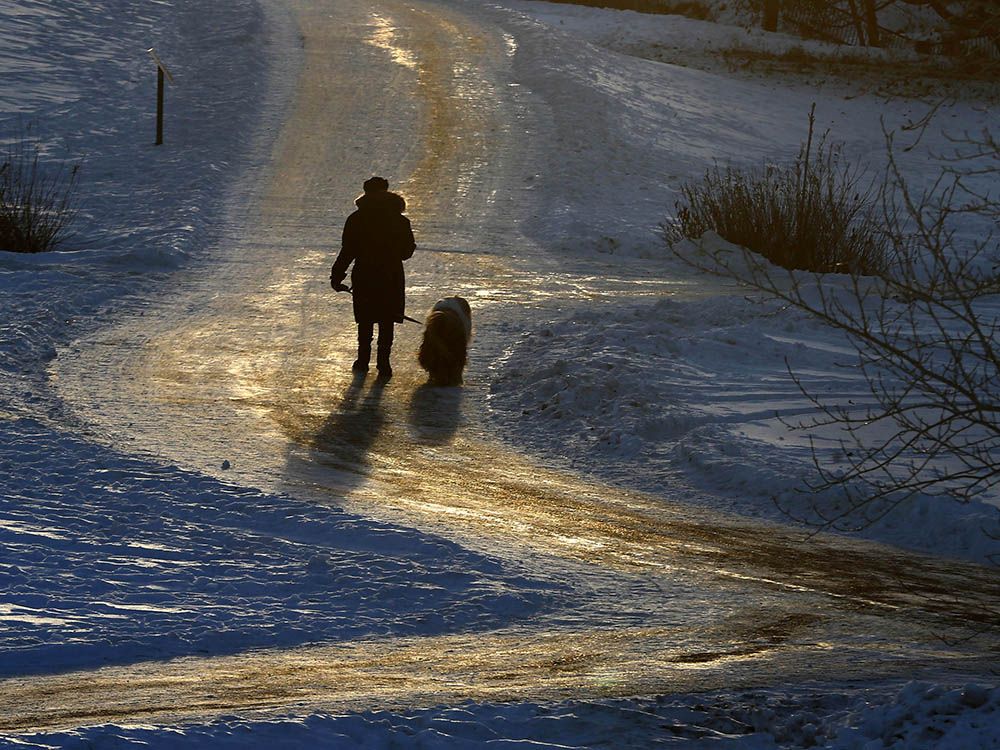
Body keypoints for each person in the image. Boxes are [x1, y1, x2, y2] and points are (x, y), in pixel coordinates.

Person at [330, 176, 416, 379]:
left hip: (365, 273)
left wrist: (336, 276)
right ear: (386, 191)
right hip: (391, 274)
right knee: (387, 319)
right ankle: (384, 364)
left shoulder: (356, 219)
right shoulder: (400, 220)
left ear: (365, 193)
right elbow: (406, 252)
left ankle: (362, 361)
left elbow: (347, 251)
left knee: (366, 319)